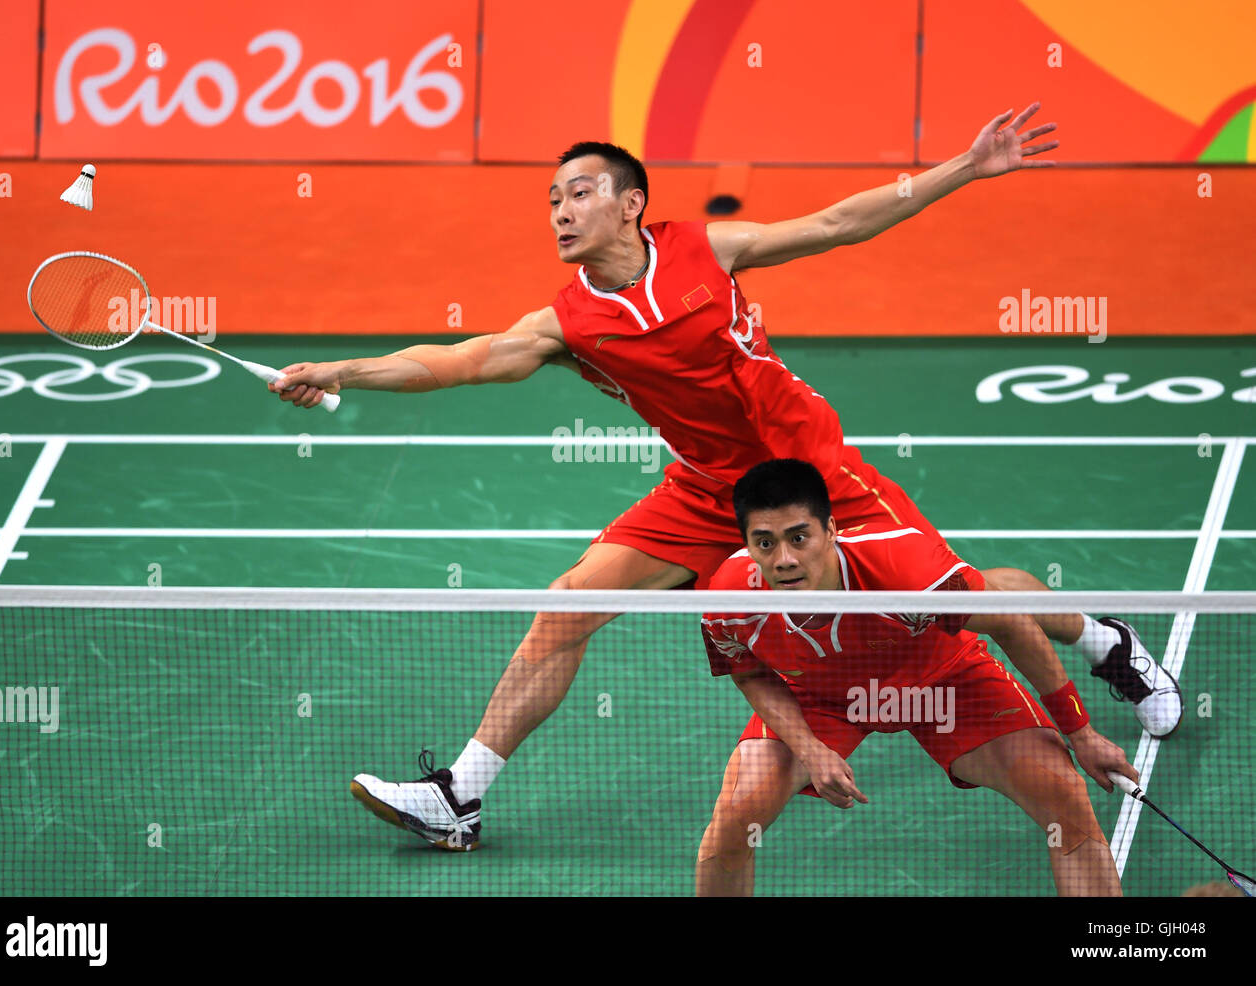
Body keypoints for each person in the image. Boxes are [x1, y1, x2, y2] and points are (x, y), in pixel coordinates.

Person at [270, 103, 1179, 852]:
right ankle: (462, 795)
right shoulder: (568, 322)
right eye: (551, 198)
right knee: (568, 607)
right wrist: (343, 371)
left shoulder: (711, 250)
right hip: (707, 490)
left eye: (579, 192)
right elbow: (460, 360)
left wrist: (962, 166)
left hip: (810, 476)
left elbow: (835, 224)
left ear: (631, 204)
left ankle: (1099, 639)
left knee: (966, 597)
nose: (559, 209)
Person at [697, 458, 1134, 896]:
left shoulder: (906, 569)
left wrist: (1080, 732)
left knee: (1064, 796)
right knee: (736, 818)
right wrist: (810, 750)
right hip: (821, 696)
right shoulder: (732, 596)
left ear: (830, 529)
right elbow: (750, 673)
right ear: (747, 544)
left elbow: (1012, 623)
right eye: (765, 543)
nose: (785, 559)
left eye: (799, 537)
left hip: (944, 680)